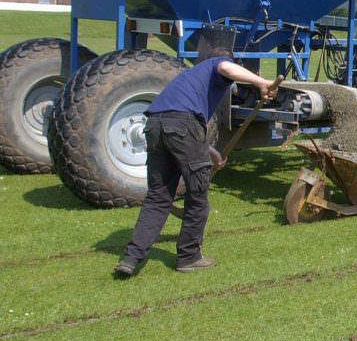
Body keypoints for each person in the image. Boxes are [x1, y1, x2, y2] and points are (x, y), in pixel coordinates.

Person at [113, 48, 276, 276]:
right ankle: (188, 257)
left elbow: (175, 123)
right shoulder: (218, 64)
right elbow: (224, 67)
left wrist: (211, 152)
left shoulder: (190, 77)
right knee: (197, 194)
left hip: (154, 125)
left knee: (158, 197)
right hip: (182, 126)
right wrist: (262, 83)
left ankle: (130, 258)